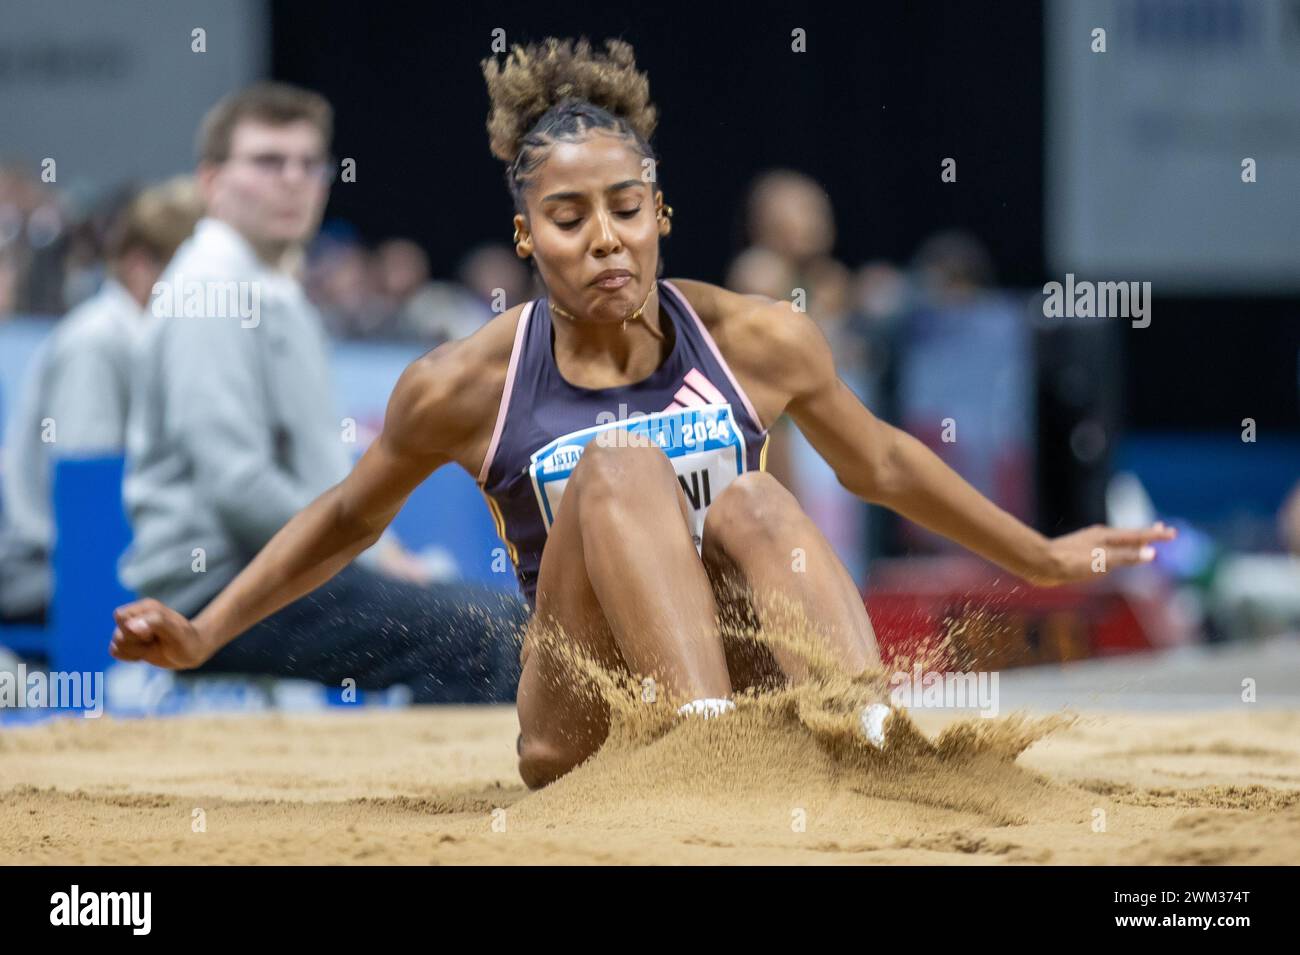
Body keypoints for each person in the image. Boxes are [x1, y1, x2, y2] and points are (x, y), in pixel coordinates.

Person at [109, 40, 1174, 789]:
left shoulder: (756, 340)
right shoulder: (464, 384)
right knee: (620, 472)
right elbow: (345, 519)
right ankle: (703, 756)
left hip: (753, 674)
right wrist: (206, 631)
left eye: (625, 209)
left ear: (660, 213)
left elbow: (884, 465)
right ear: (527, 238)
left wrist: (1036, 553)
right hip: (584, 724)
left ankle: (872, 737)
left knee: (757, 497)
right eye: (568, 218)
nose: (605, 239)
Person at [116, 81, 526, 703]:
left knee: (489, 623)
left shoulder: (271, 290)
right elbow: (239, 488)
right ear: (211, 181)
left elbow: (320, 482)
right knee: (486, 634)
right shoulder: (208, 290)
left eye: (310, 164)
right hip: (222, 589)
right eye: (267, 161)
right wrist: (374, 560)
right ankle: (450, 801)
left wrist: (380, 555)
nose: (293, 180)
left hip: (290, 571)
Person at [0, 177, 203, 624]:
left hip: (117, 561)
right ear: (138, 266)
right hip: (52, 570)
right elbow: (88, 500)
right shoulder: (96, 344)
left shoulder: (158, 346)